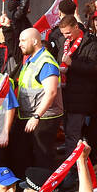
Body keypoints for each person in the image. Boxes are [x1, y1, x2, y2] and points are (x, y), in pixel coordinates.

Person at [12, 28, 62, 176]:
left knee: (43, 156)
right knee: (29, 154)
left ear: (34, 41)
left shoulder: (45, 62)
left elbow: (51, 92)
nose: (19, 44)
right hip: (30, 116)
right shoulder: (31, 60)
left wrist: (36, 116)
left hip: (43, 118)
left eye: (23, 40)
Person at [57, 15, 97, 156]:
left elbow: (95, 68)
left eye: (68, 33)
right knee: (68, 133)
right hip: (65, 95)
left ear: (76, 27)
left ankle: (72, 169)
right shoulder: (63, 42)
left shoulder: (91, 44)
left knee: (73, 135)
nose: (66, 37)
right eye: (63, 34)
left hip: (81, 98)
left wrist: (73, 64)